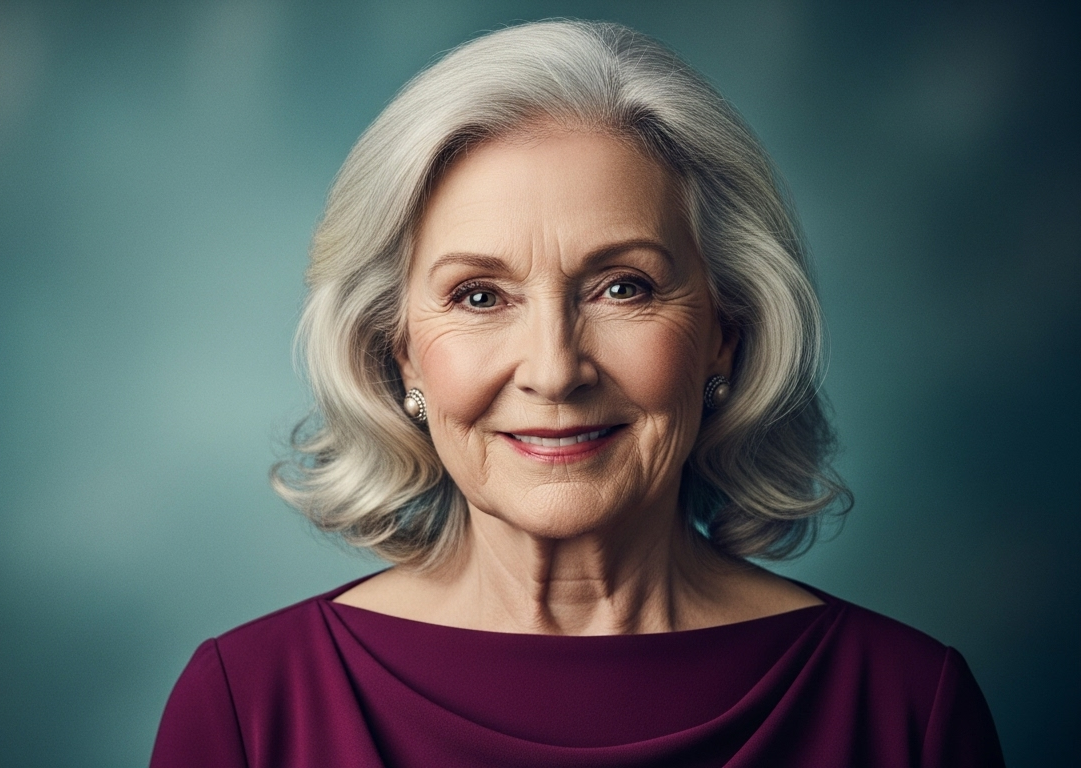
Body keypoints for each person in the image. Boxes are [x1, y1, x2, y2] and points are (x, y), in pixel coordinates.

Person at [150, 19, 1005, 768]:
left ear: (726, 331)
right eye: (480, 297)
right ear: (399, 354)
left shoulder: (906, 708)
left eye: (623, 287)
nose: (555, 370)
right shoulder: (249, 704)